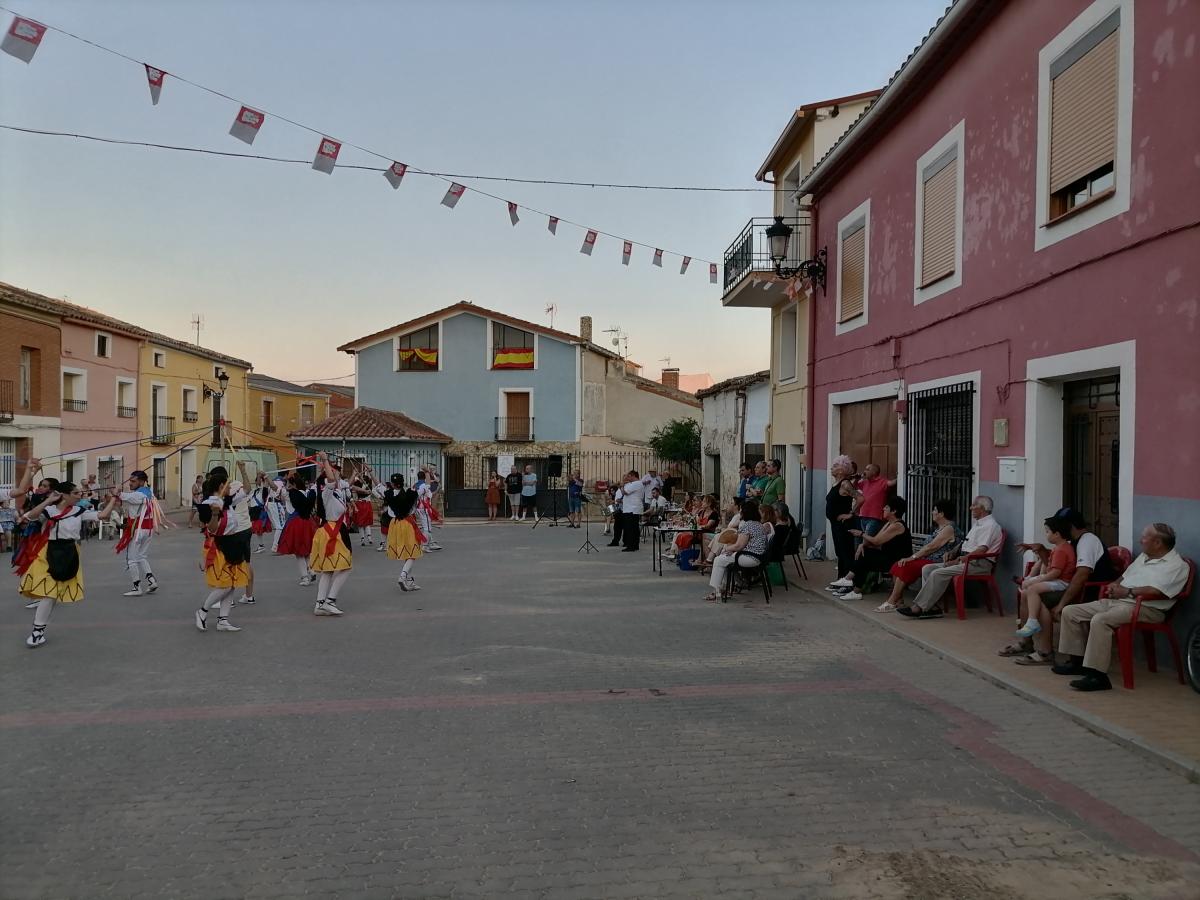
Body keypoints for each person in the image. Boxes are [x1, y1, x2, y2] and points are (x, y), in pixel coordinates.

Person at [1053, 523, 1189, 692]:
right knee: (1071, 611)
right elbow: (1124, 576)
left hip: (1147, 608)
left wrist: (1127, 592)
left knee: (1100, 620)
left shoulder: (1177, 566)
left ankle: (1098, 676)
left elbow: (1155, 591)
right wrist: (1114, 585)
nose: (1140, 540)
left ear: (1158, 543)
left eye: (1145, 537)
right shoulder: (1144, 557)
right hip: (1119, 602)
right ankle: (1077, 663)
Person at [999, 506, 1119, 660]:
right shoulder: (1070, 543)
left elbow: (1081, 576)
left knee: (1037, 597)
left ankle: (1045, 652)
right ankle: (1026, 643)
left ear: (1070, 526)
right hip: (1068, 586)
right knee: (1027, 594)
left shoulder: (1088, 541)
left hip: (1087, 592)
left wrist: (1062, 603)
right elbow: (1055, 566)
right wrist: (1041, 550)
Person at [16, 482, 118, 648]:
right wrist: (48, 500)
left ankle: (38, 631)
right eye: (76, 493)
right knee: (49, 593)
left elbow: (102, 515)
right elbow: (30, 516)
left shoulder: (79, 511)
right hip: (49, 552)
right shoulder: (49, 510)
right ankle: (37, 632)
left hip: (70, 552)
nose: (80, 495)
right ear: (64, 495)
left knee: (53, 594)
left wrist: (114, 497)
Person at [898, 496, 1003, 618]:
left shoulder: (990, 525)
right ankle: (931, 607)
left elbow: (981, 550)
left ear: (983, 508)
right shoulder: (978, 524)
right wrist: (953, 552)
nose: (970, 508)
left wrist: (959, 560)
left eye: (974, 505)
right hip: (966, 561)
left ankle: (918, 608)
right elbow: (966, 543)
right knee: (928, 568)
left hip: (978, 564)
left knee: (938, 573)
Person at [1009, 516, 1078, 663]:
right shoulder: (1059, 549)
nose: (1046, 535)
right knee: (1027, 591)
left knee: (1032, 590)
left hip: (1061, 583)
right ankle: (1028, 639)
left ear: (1057, 534)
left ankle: (1033, 625)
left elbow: (1055, 573)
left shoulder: (1061, 550)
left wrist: (1037, 579)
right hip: (1057, 581)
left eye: (1047, 531)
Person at [874, 499, 962, 612]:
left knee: (905, 565)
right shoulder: (940, 528)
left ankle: (891, 601)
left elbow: (932, 547)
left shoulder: (949, 528)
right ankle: (898, 600)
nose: (932, 512)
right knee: (898, 564)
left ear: (942, 513)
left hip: (937, 562)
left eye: (934, 510)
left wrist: (912, 557)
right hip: (927, 559)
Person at [194, 470, 249, 634]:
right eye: (228, 485)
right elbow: (210, 528)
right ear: (221, 486)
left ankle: (223, 620)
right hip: (219, 545)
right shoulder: (207, 505)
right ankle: (202, 611)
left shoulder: (227, 500)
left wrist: (243, 469)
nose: (230, 488)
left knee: (232, 584)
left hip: (233, 543)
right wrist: (215, 513)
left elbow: (247, 489)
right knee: (224, 584)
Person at [828, 497, 913, 600]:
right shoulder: (889, 523)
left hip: (898, 560)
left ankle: (850, 581)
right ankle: (853, 586)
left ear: (894, 511)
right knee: (864, 553)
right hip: (888, 556)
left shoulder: (897, 525)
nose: (883, 509)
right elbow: (876, 540)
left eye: (886, 507)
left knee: (866, 556)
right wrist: (863, 545)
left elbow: (877, 541)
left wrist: (861, 534)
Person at [308, 454, 351, 617]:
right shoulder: (326, 492)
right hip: (331, 531)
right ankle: (330, 601)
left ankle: (320, 604)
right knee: (345, 567)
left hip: (335, 530)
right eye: (333, 471)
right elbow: (331, 480)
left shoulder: (337, 493)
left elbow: (336, 481)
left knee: (328, 570)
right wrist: (325, 461)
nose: (336, 473)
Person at [703, 499, 769, 602]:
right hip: (757, 556)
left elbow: (739, 545)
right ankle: (722, 589)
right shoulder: (758, 525)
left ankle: (717, 592)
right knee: (723, 560)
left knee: (719, 560)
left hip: (750, 557)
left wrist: (726, 548)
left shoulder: (747, 525)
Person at [114, 470, 160, 597]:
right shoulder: (149, 492)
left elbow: (118, 495)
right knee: (142, 556)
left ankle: (137, 587)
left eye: (133, 481)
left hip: (138, 530)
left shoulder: (137, 496)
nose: (130, 483)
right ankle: (151, 581)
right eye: (130, 481)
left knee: (132, 559)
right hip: (148, 529)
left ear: (141, 481)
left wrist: (116, 489)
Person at [384, 473, 424, 591]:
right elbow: (424, 487)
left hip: (395, 525)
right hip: (407, 524)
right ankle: (403, 576)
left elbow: (378, 486)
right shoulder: (410, 494)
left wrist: (370, 473)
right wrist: (427, 473)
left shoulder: (389, 494)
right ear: (403, 482)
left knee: (408, 553)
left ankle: (409, 581)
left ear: (392, 484)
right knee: (413, 552)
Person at [277, 473, 318, 585]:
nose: (287, 486)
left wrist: (266, 478)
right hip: (308, 523)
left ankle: (305, 577)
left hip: (296, 523)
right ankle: (312, 570)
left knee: (299, 552)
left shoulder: (291, 494)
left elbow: (275, 488)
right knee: (306, 550)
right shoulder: (308, 492)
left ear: (293, 484)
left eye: (289, 483)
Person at [825, 460, 860, 581]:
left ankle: (848, 582)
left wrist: (850, 514)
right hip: (835, 523)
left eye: (835, 466)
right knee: (840, 552)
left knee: (846, 552)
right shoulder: (836, 483)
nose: (831, 468)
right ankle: (840, 580)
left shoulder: (845, 484)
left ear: (841, 470)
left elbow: (860, 498)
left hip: (844, 524)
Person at [856, 463, 896, 537]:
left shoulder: (882, 482)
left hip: (874, 518)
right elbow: (853, 486)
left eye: (867, 469)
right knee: (862, 541)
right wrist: (857, 477)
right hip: (862, 516)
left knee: (867, 541)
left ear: (874, 472)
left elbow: (892, 483)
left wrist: (901, 474)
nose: (864, 471)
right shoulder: (864, 482)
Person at [617, 470, 645, 551]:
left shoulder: (636, 483)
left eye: (629, 476)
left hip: (632, 509)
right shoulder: (636, 484)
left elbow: (625, 492)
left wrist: (621, 486)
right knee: (634, 528)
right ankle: (635, 545)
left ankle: (631, 546)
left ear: (633, 476)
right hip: (633, 508)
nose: (628, 478)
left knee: (630, 528)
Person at [414, 469, 442, 550]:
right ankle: (425, 545)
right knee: (427, 528)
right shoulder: (424, 485)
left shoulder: (415, 485)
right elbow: (430, 495)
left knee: (427, 526)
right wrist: (437, 489)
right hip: (424, 508)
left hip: (418, 508)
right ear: (424, 478)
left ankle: (430, 542)